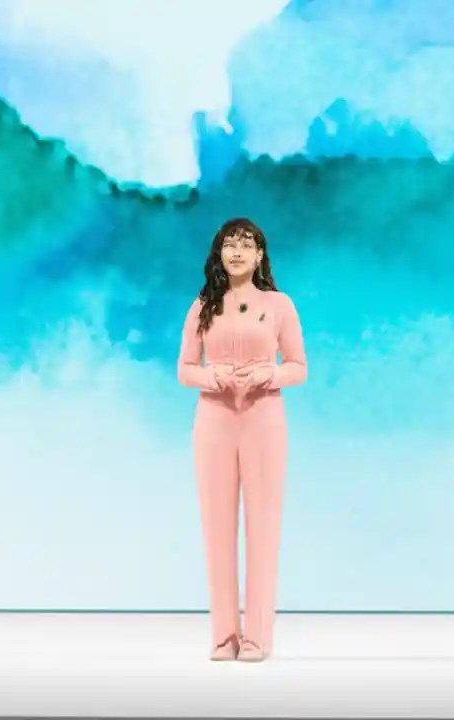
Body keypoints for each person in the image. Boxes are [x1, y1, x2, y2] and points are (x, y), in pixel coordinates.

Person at [177, 217, 307, 663]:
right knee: (216, 525)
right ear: (219, 254)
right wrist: (209, 376)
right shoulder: (203, 306)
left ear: (259, 255)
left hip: (263, 415)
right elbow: (184, 369)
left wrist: (269, 373)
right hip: (214, 418)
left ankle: (258, 636)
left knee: (263, 525)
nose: (237, 252)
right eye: (229, 244)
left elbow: (298, 365)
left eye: (245, 245)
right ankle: (223, 634)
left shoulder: (279, 304)